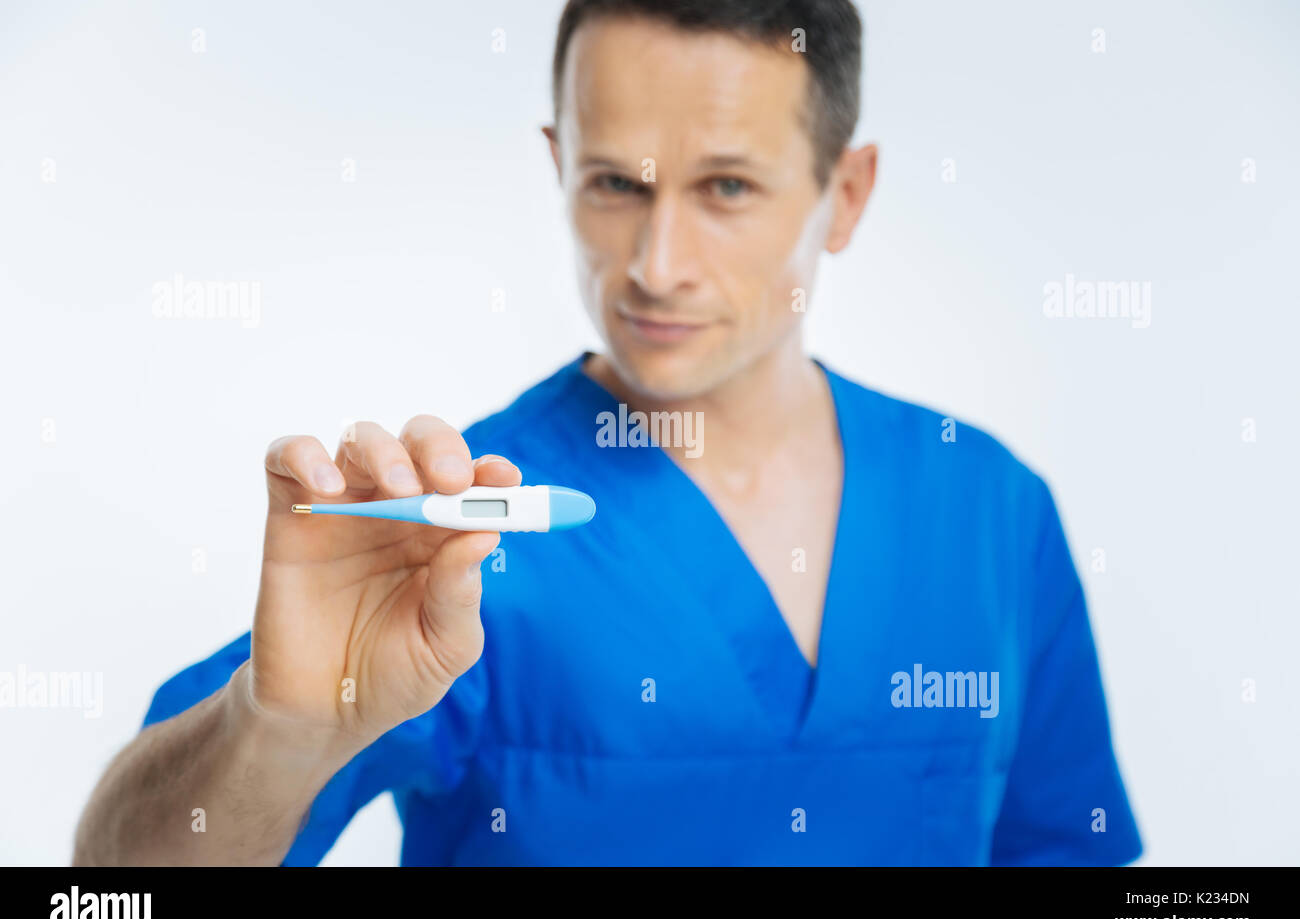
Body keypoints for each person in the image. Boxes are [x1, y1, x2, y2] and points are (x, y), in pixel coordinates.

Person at [74, 0, 1142, 866]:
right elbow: (118, 892)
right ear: (558, 163)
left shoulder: (990, 510)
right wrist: (275, 724)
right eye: (614, 184)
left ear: (846, 193)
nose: (655, 262)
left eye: (725, 186)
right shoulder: (454, 530)